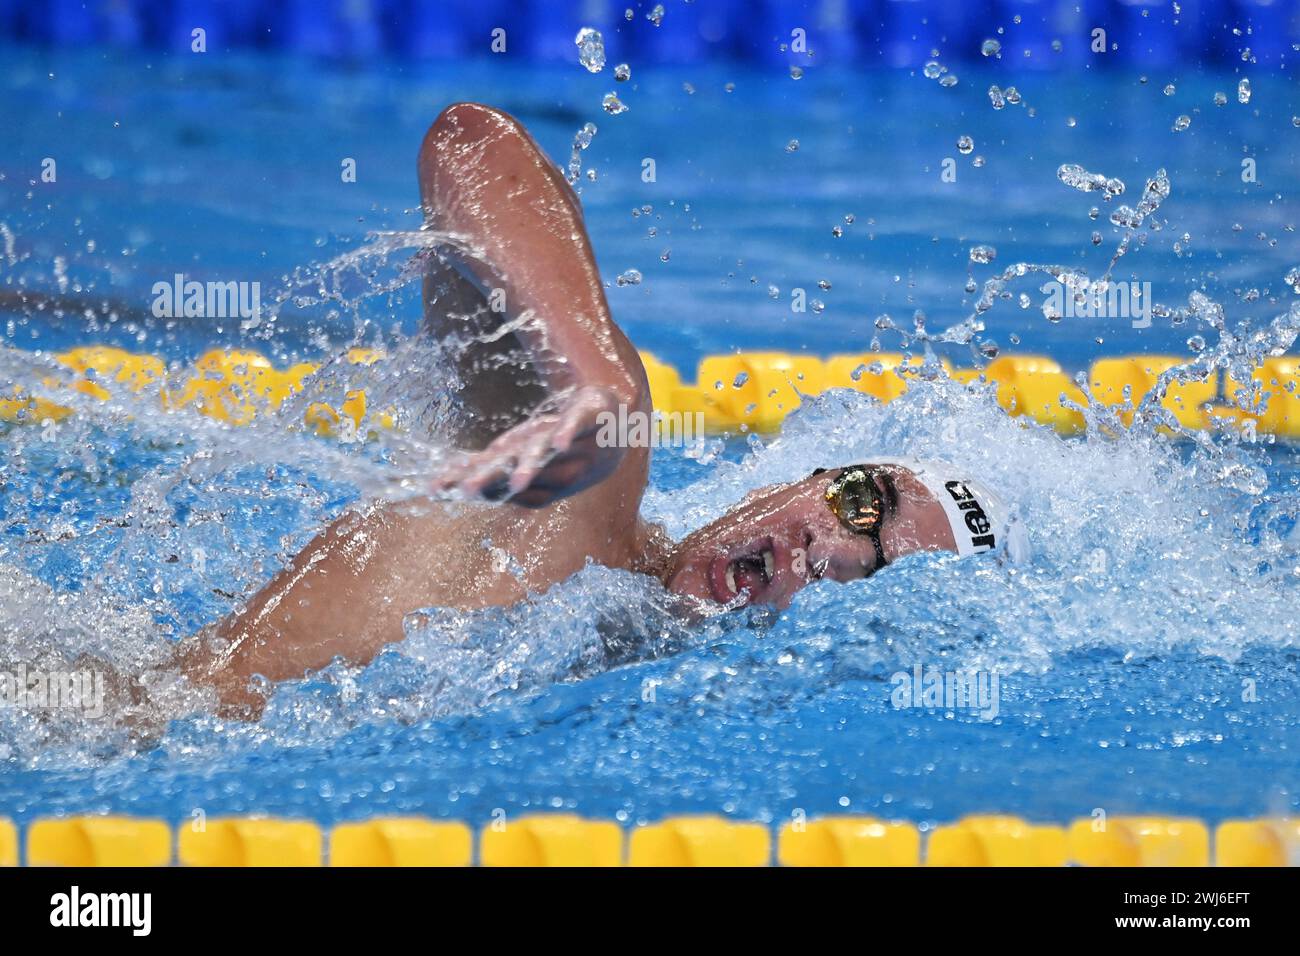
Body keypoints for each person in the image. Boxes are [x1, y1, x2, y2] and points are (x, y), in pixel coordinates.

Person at [177, 103, 1023, 718]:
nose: (822, 546)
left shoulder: (619, 665)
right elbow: (469, 141)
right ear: (807, 478)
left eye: (863, 575)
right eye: (860, 504)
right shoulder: (580, 492)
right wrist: (593, 380)